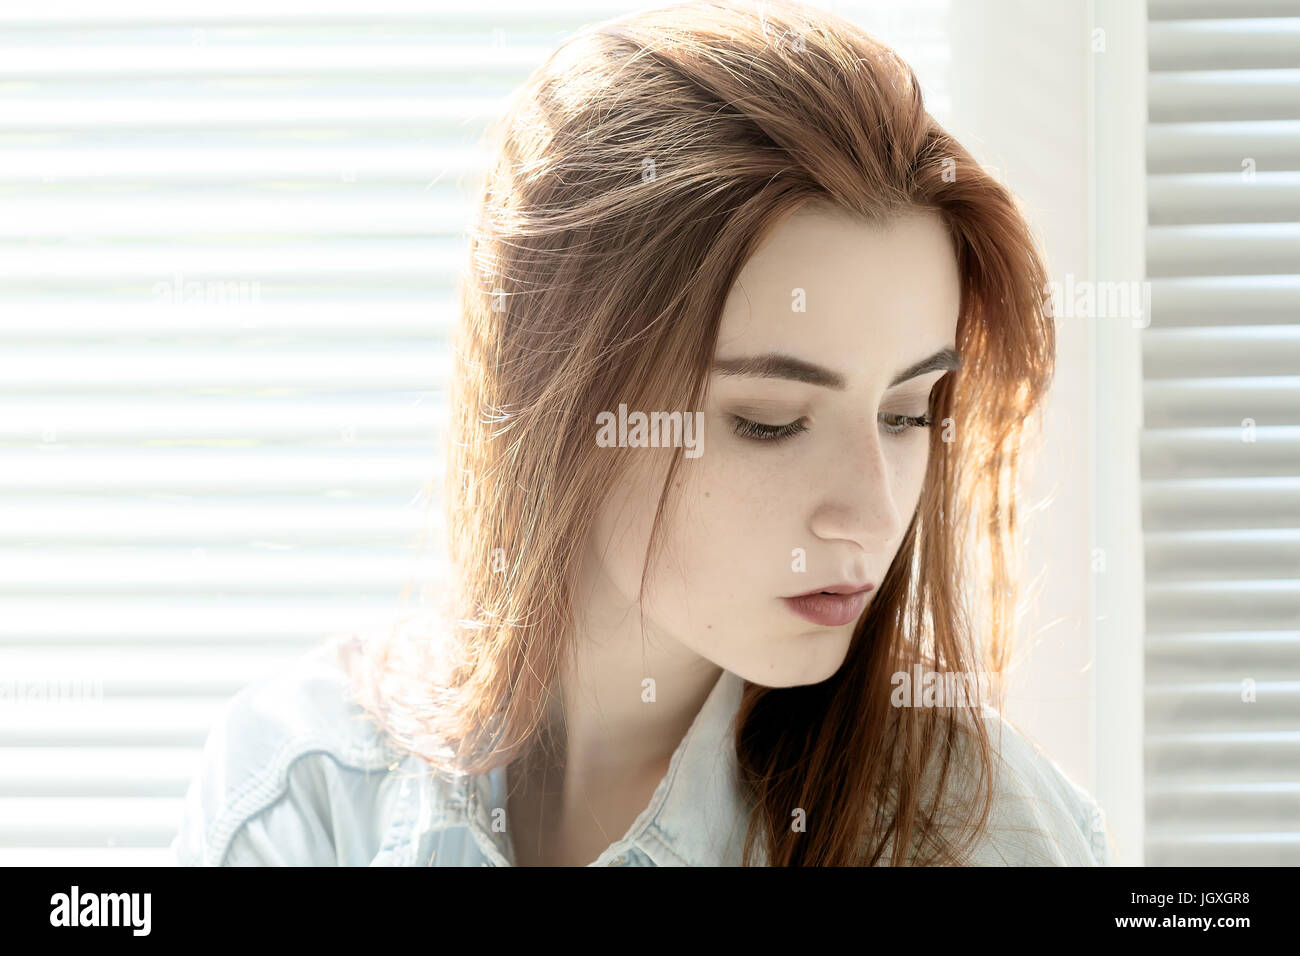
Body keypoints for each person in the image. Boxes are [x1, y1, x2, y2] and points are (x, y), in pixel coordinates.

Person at [172, 0, 1119, 867]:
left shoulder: (979, 839)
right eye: (771, 422)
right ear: (557, 395)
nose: (872, 513)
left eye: (907, 413)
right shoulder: (304, 795)